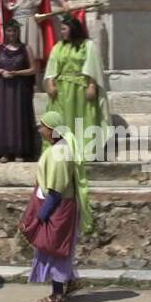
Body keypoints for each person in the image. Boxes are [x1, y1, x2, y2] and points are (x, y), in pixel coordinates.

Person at [20, 110, 87, 302]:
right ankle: (71, 281)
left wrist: (41, 216)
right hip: (59, 206)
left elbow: (56, 190)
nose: (39, 130)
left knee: (55, 249)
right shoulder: (60, 149)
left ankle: (57, 293)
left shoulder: (59, 152)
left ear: (51, 129)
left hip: (59, 208)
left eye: (43, 126)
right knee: (54, 248)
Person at [43, 14, 112, 184]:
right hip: (62, 91)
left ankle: (85, 151)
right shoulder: (59, 47)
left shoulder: (87, 46)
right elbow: (53, 66)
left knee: (82, 120)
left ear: (73, 29)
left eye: (64, 29)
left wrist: (92, 85)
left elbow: (92, 66)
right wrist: (50, 83)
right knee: (62, 122)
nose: (62, 32)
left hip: (80, 89)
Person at [0, 19, 38, 163]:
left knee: (19, 117)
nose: (11, 34)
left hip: (20, 89)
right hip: (3, 88)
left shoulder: (26, 49)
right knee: (3, 118)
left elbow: (33, 69)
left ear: (18, 32)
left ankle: (20, 151)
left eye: (14, 31)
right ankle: (4, 152)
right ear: (5, 32)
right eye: (9, 31)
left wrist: (17, 73)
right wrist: (1, 71)